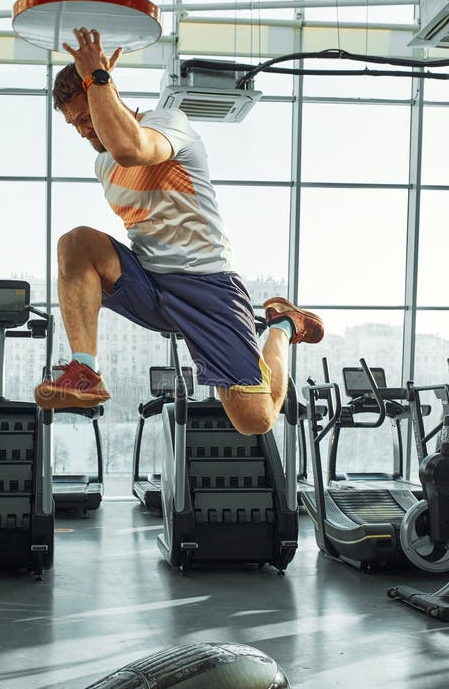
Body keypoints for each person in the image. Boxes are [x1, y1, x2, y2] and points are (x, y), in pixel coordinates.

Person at [34, 27, 324, 436]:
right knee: (75, 243)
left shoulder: (169, 124)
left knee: (254, 421)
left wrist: (97, 77)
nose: (82, 130)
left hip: (208, 286)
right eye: (74, 125)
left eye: (85, 118)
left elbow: (131, 148)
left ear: (107, 95)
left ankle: (282, 324)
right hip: (149, 283)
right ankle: (85, 370)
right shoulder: (102, 166)